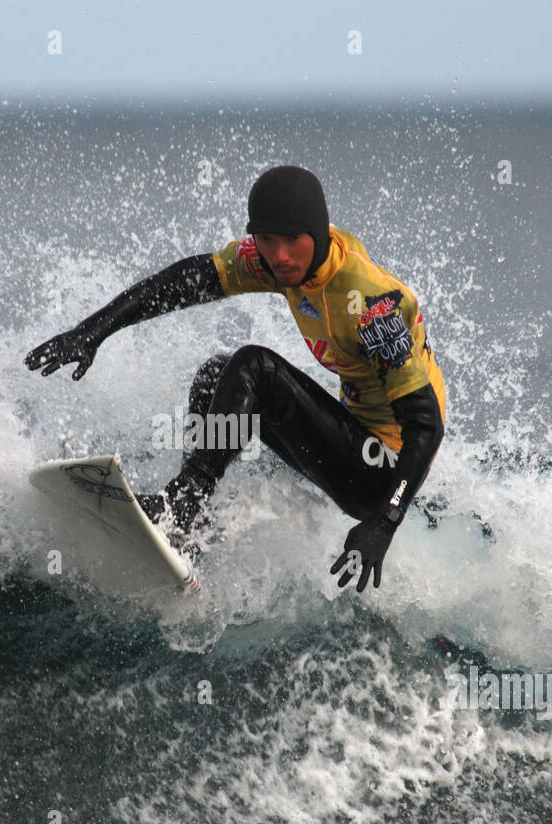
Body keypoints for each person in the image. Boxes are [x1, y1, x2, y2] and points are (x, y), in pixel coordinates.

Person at [24, 165, 446, 591]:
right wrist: (93, 331)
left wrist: (386, 520)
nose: (280, 256)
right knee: (216, 377)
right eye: (267, 241)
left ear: (316, 235)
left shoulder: (368, 304)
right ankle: (188, 521)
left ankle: (183, 504)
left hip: (387, 470)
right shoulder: (284, 262)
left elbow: (427, 426)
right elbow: (187, 281)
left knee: (255, 368)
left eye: (292, 241)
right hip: (355, 438)